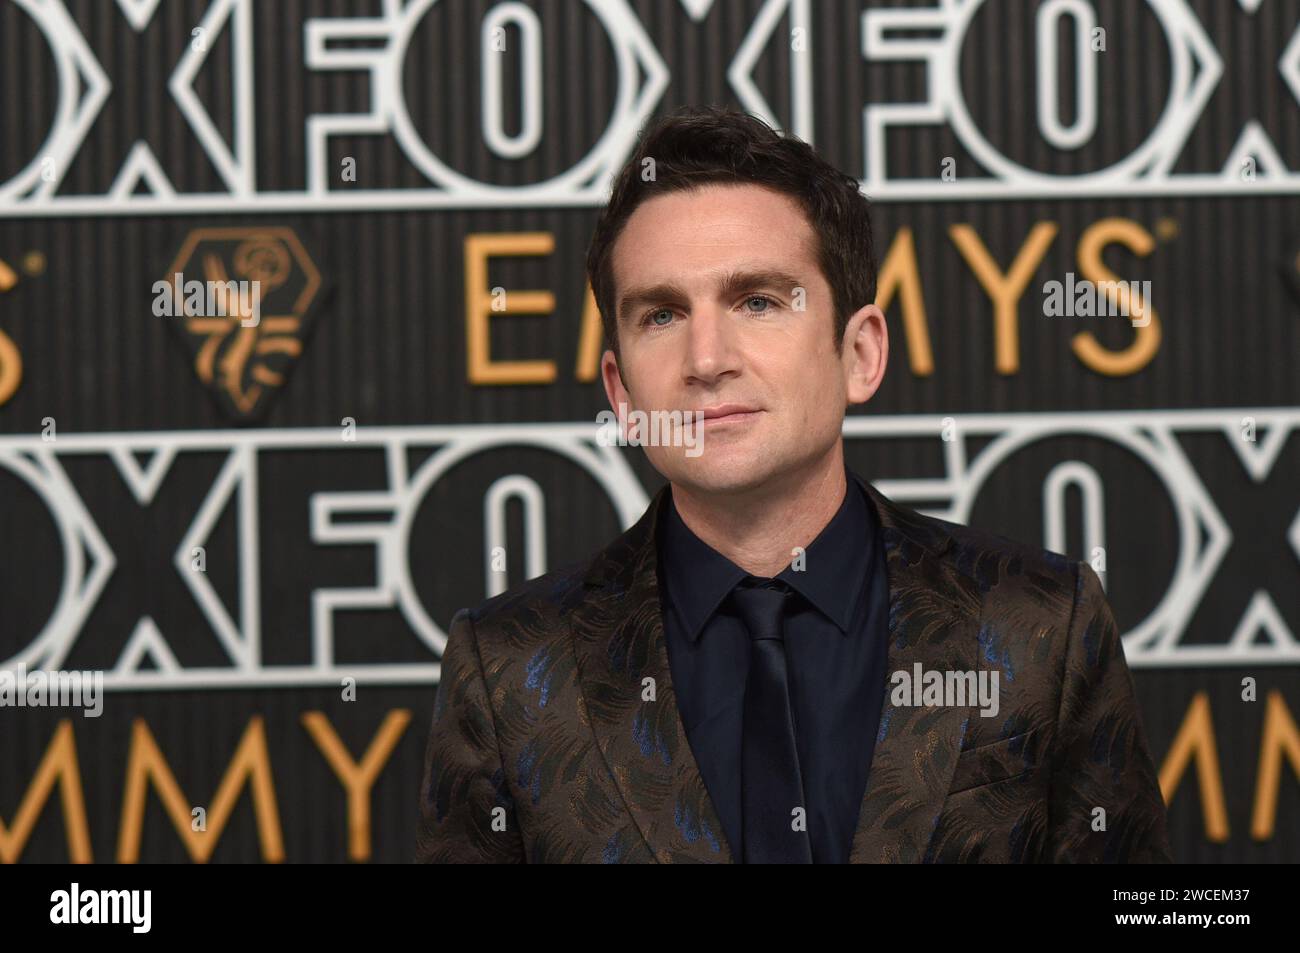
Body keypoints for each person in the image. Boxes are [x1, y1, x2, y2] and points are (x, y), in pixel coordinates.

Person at [415, 104, 1171, 863]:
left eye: (758, 301)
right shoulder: (508, 669)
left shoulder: (1040, 628)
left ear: (861, 354)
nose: (707, 358)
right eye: (662, 314)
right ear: (621, 393)